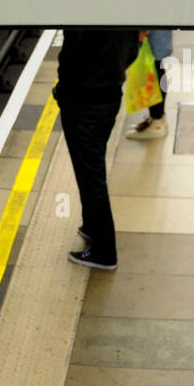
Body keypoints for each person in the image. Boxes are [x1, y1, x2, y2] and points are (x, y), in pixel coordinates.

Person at [54, 30, 141, 269]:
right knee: (90, 169)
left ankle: (104, 252)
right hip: (108, 94)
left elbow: (72, 58)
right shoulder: (122, 11)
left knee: (92, 177)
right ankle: (92, 226)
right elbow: (134, 49)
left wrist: (63, 92)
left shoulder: (84, 16)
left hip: (84, 101)